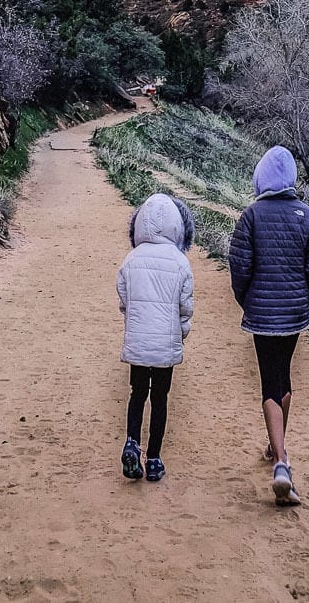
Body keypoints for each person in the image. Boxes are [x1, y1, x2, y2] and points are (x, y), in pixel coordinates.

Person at [228, 145, 309, 506]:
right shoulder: (307, 216)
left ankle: (281, 462)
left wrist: (249, 300)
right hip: (293, 314)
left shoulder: (251, 216)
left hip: (262, 314)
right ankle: (276, 447)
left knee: (269, 381)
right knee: (283, 377)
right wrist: (303, 301)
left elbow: (239, 268)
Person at [117, 192, 194, 482]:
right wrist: (181, 334)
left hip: (138, 341)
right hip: (165, 344)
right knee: (160, 398)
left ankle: (131, 443)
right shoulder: (180, 262)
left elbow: (124, 299)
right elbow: (185, 307)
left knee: (138, 393)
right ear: (177, 226)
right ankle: (154, 459)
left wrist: (133, 322)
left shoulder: (131, 258)